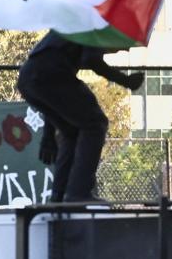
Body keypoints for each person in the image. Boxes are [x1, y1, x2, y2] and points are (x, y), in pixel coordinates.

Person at [17, 31, 143, 202]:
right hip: (51, 74)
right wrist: (124, 80)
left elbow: (57, 101)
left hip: (28, 78)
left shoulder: (78, 19)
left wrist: (48, 136)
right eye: (124, 45)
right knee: (95, 124)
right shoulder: (95, 22)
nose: (124, 50)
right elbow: (90, 60)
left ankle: (59, 195)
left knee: (71, 130)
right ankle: (78, 193)